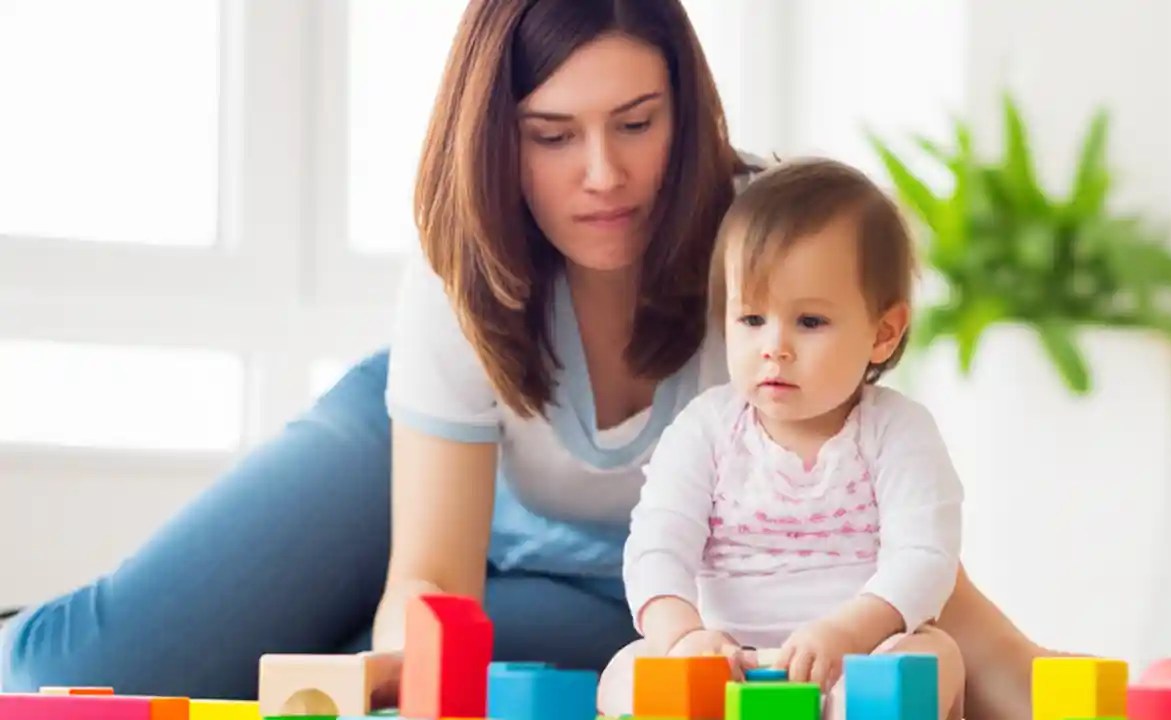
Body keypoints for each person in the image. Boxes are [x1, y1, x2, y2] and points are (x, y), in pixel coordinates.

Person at [0, 1, 1071, 716]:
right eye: (550, 134)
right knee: (75, 678)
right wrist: (404, 661)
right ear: (494, 136)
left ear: (685, 114)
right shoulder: (459, 263)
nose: (601, 173)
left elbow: (898, 552)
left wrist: (1070, 689)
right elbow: (433, 578)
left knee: (562, 682)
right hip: (409, 464)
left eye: (635, 123)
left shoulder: (762, 259)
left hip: (621, 578)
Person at [597, 158, 965, 719]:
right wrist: (684, 637)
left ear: (883, 333)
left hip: (853, 659)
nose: (775, 347)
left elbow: (925, 559)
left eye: (810, 322)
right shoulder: (707, 429)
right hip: (725, 665)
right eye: (751, 320)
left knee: (932, 657)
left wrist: (849, 631)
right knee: (625, 670)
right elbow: (657, 546)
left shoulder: (897, 431)